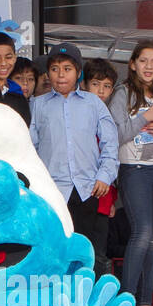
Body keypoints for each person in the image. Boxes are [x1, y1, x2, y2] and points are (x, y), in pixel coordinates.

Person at [30, 43, 118, 275]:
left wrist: (104, 176)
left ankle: (83, 302)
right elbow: (30, 148)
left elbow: (110, 143)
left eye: (67, 69)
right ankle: (56, 303)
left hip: (87, 189)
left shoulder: (93, 103)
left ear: (78, 73)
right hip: (52, 192)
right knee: (53, 251)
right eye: (55, 69)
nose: (61, 75)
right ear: (47, 73)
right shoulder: (37, 105)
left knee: (85, 252)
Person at [108, 40, 153, 306]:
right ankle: (127, 301)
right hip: (133, 169)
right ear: (132, 63)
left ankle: (145, 304)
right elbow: (115, 134)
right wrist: (145, 116)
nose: (149, 67)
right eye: (143, 61)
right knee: (142, 232)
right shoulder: (123, 93)